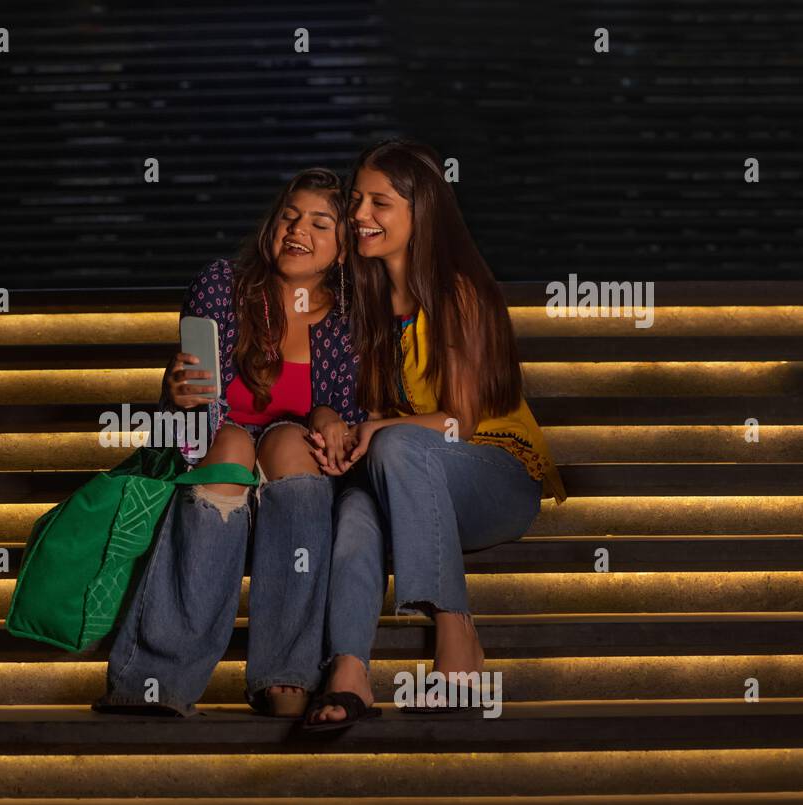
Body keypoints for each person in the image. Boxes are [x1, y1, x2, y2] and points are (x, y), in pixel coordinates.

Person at [305, 139, 568, 729]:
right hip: (410, 484)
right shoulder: (364, 301)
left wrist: (376, 428)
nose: (359, 215)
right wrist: (335, 427)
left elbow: (459, 423)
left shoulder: (458, 292)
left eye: (379, 203)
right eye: (356, 201)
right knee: (354, 505)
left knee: (395, 445)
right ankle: (349, 672)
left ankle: (457, 634)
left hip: (493, 476)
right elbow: (336, 394)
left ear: (420, 211)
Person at [93, 168, 364, 718]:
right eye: (290, 216)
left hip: (294, 467)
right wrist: (175, 395)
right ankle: (155, 677)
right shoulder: (223, 284)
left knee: (292, 446)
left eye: (320, 223)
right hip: (214, 446)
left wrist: (330, 418)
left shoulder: (349, 317)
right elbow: (189, 412)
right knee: (233, 448)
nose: (298, 230)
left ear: (342, 251)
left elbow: (346, 417)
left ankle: (287, 673)